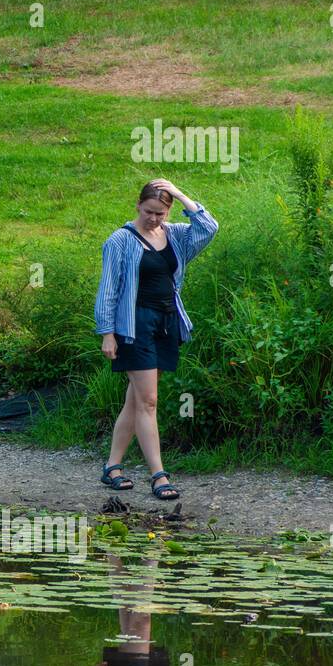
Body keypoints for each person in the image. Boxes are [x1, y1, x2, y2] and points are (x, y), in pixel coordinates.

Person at [94, 179, 218, 500]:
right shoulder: (119, 241)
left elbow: (209, 227)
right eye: (149, 211)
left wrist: (178, 192)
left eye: (161, 212)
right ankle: (158, 475)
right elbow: (108, 290)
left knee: (136, 399)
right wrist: (107, 334)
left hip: (166, 324)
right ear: (137, 206)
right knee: (149, 401)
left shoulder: (174, 234)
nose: (154, 218)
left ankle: (112, 466)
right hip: (133, 326)